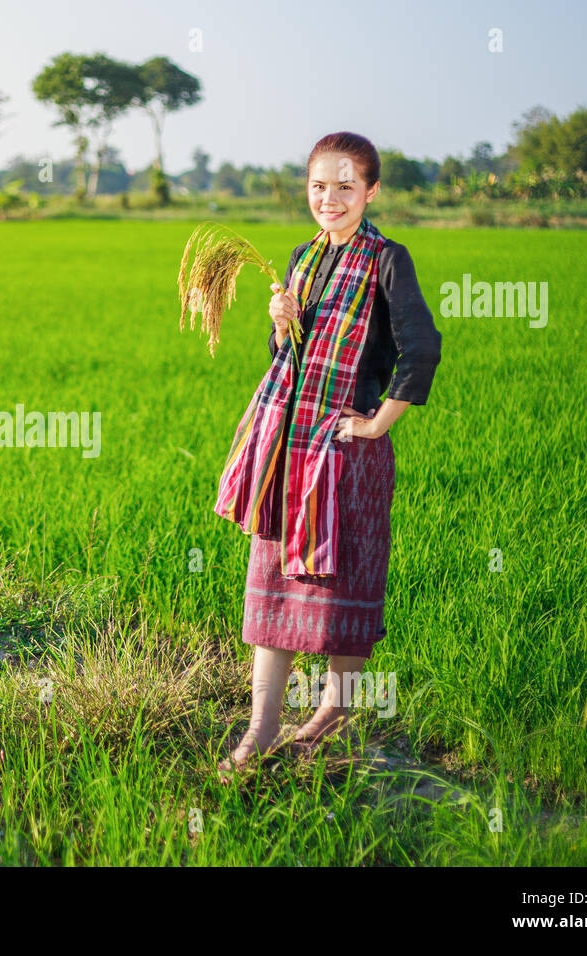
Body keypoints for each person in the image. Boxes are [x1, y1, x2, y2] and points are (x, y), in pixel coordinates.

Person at [215, 132, 442, 777]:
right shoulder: (301, 259)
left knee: (345, 584)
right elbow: (286, 359)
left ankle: (332, 713)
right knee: (273, 587)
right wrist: (281, 320)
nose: (330, 198)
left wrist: (376, 425)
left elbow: (420, 347)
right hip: (289, 447)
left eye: (346, 186)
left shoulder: (388, 260)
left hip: (345, 453)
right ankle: (260, 729)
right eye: (319, 185)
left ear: (371, 191)